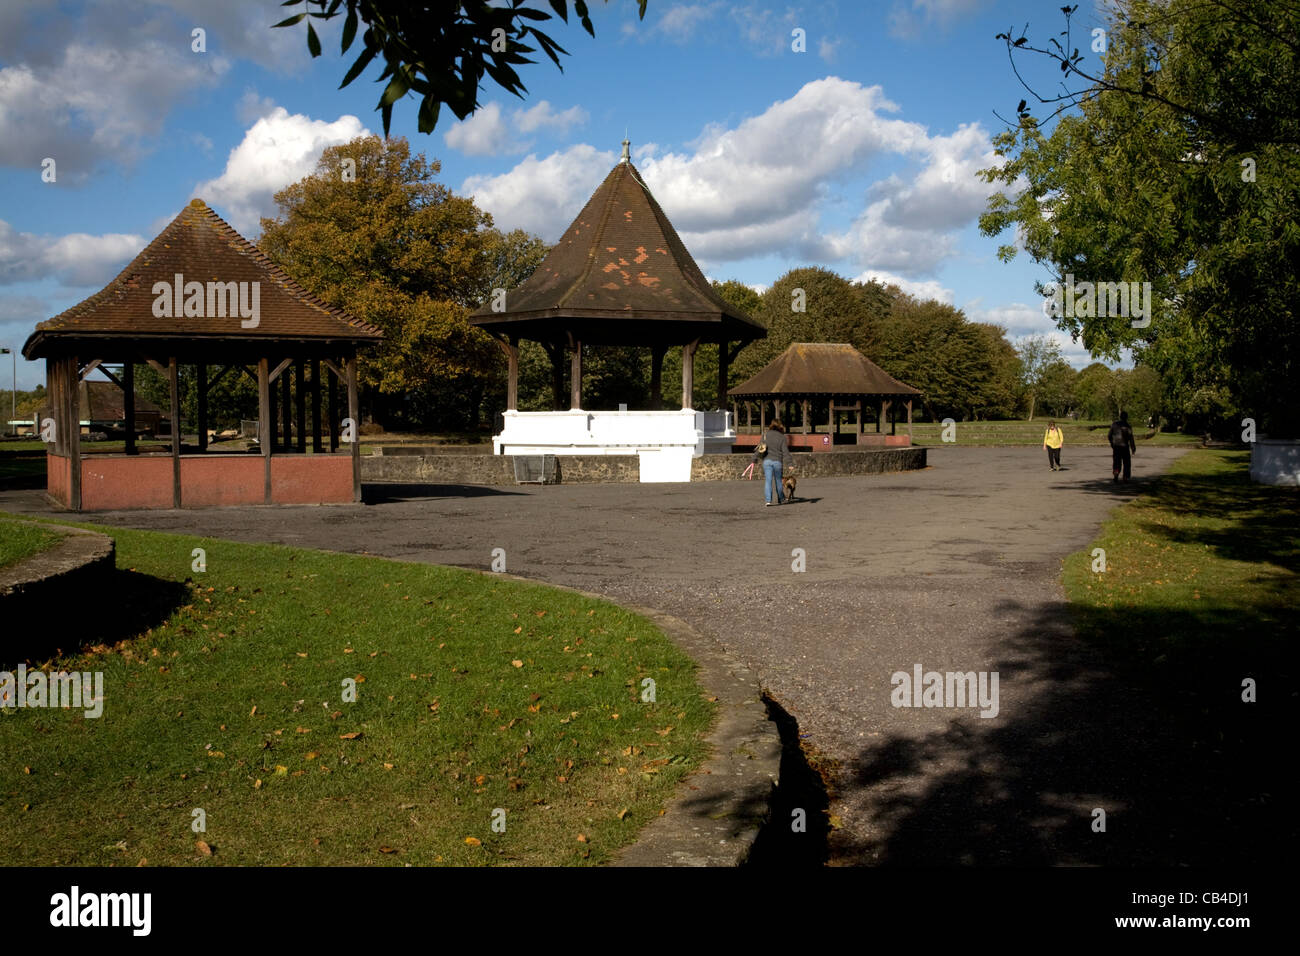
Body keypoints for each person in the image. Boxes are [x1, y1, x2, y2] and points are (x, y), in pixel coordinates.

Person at [753, 419, 794, 506]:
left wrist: (754, 459)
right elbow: (785, 452)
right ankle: (781, 498)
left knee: (768, 481)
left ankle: (768, 500)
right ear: (780, 426)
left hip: (767, 461)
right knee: (778, 481)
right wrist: (790, 463)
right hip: (777, 462)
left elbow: (760, 447)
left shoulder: (765, 435)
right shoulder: (782, 437)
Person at [1108, 410, 1137, 482]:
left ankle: (1116, 473)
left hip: (1116, 446)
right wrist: (1133, 448)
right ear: (1126, 417)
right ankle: (1126, 477)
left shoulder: (1114, 424)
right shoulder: (1128, 426)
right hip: (1125, 446)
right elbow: (1131, 438)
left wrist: (1112, 443)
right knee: (1126, 462)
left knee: (1116, 461)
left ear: (1120, 417)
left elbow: (1109, 435)